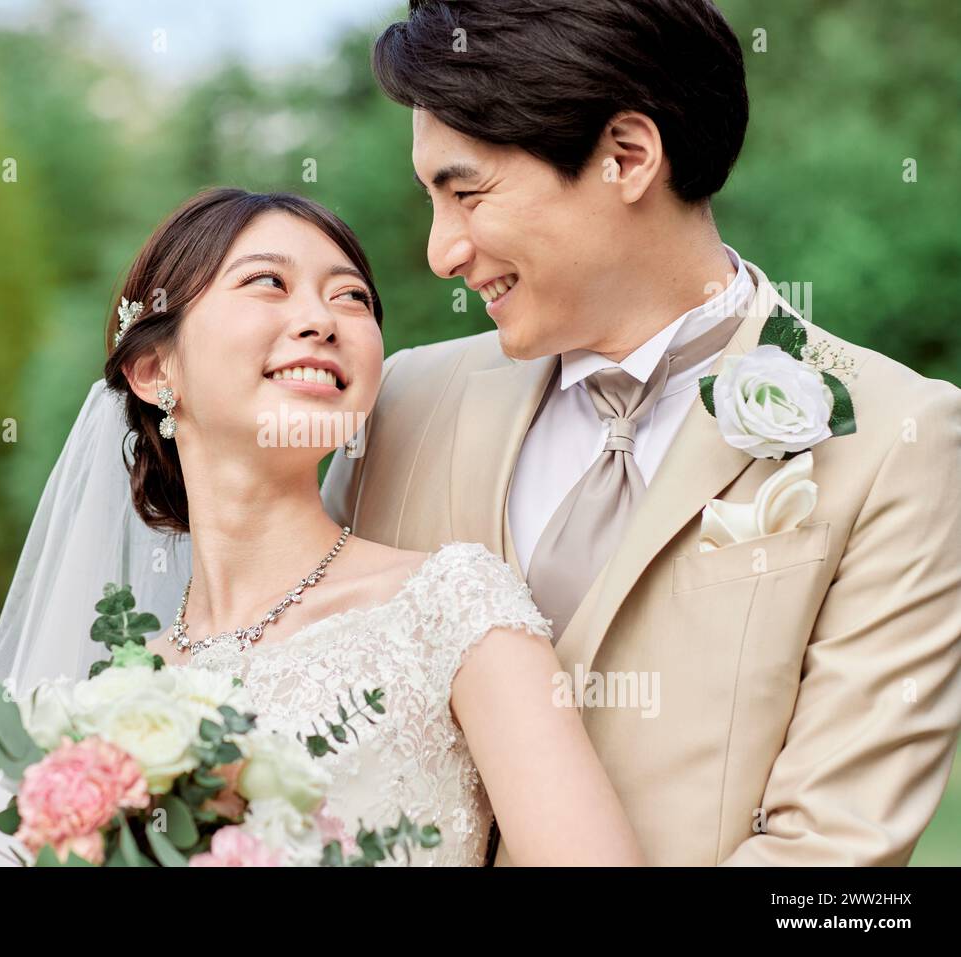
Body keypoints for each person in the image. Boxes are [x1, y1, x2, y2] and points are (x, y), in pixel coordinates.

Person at [323, 0, 961, 865]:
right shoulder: (403, 403)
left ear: (627, 156)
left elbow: (834, 863)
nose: (443, 252)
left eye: (466, 193)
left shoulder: (897, 437)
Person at [0, 187, 644, 866]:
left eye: (352, 298)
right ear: (156, 368)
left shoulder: (454, 608)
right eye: (267, 284)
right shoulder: (104, 703)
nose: (322, 319)